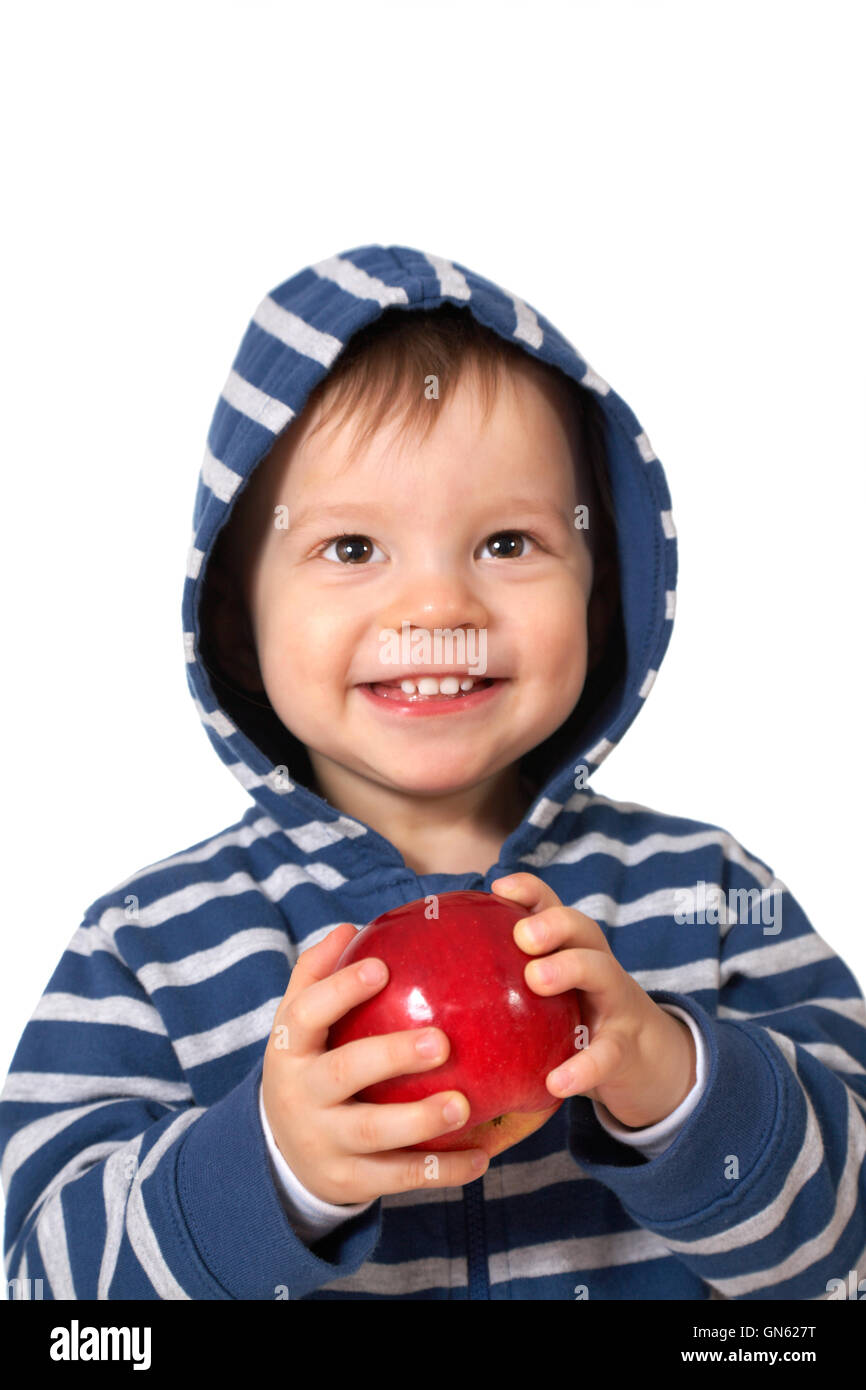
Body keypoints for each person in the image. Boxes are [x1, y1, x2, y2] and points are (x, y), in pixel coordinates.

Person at [2, 244, 864, 1301]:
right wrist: (273, 1168)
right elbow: (53, 1307)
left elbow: (845, 1261)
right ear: (235, 612)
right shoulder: (145, 947)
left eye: (507, 542)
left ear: (601, 593)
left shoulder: (709, 895)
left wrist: (681, 1087)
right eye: (353, 548)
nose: (435, 610)